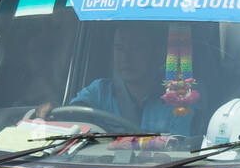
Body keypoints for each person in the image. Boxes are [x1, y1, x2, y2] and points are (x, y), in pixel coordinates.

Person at [39, 23, 196, 136]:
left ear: (157, 54)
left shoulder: (178, 101)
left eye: (136, 49)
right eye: (119, 48)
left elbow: (181, 149)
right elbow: (71, 117)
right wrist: (53, 112)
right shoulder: (99, 92)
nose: (125, 58)